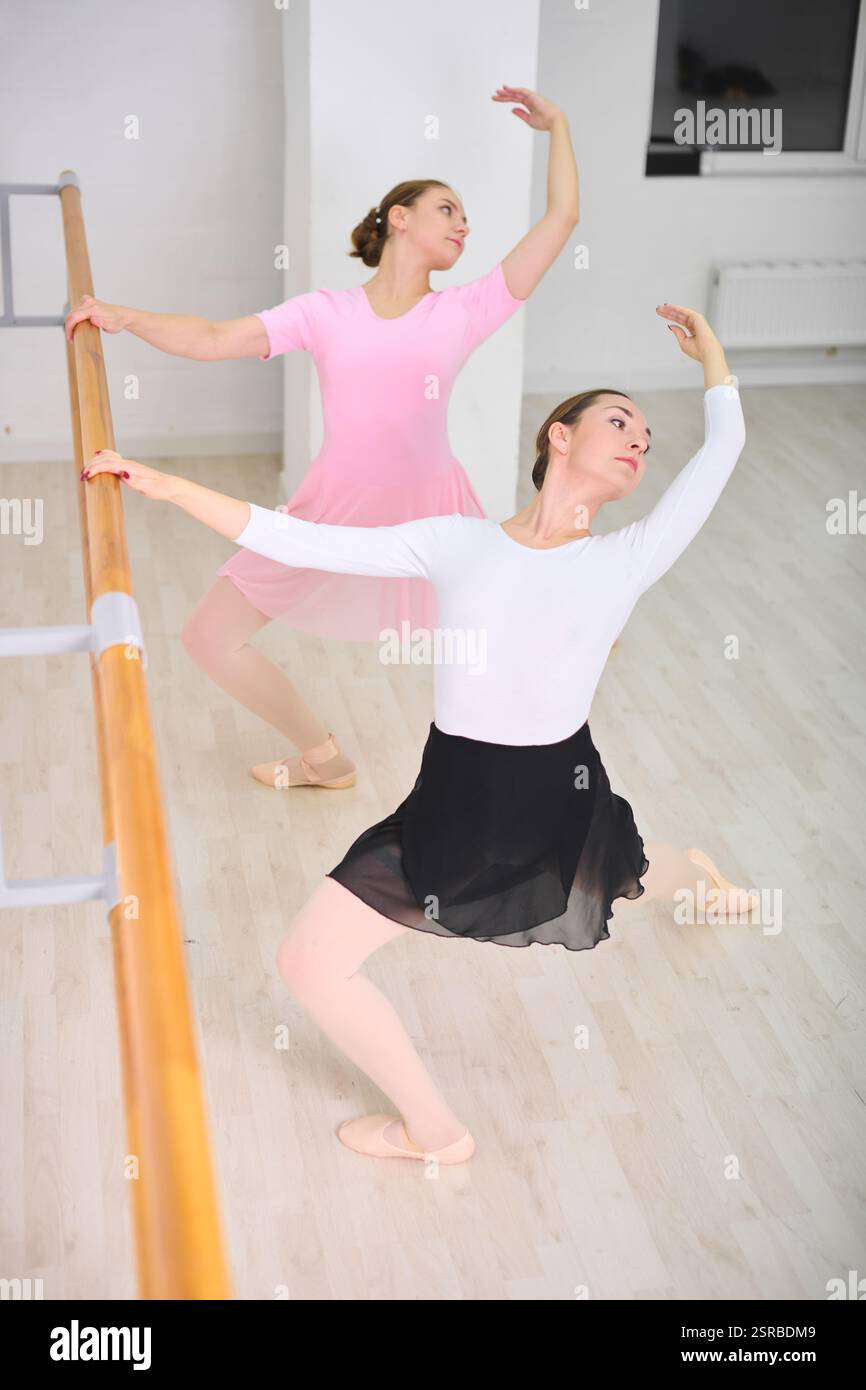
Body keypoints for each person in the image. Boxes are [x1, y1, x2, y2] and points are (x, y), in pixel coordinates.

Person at [80, 303, 759, 1166]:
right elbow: (305, 540)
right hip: (454, 798)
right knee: (313, 964)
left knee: (625, 870)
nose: (638, 442)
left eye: (648, 440)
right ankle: (436, 1129)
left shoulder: (626, 557)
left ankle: (699, 879)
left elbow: (722, 453)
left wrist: (716, 364)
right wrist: (169, 486)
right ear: (559, 435)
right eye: (619, 421)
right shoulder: (457, 543)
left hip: (555, 790)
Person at [65, 86, 580, 793]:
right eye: (447, 210)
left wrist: (558, 129)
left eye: (467, 218)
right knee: (208, 637)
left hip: (434, 515)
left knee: (498, 640)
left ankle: (540, 779)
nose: (464, 225)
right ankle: (323, 758)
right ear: (399, 218)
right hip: (333, 510)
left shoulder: (466, 309)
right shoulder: (325, 313)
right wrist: (126, 316)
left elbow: (561, 218)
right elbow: (215, 338)